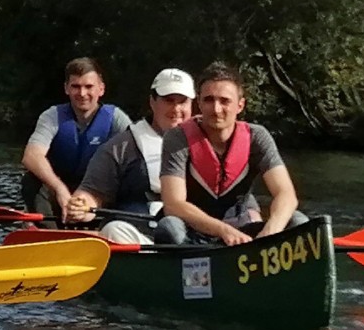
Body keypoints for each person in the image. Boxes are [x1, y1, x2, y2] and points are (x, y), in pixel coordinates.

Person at [155, 62, 306, 246]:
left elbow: (286, 194)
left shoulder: (257, 137)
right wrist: (223, 230)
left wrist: (270, 232)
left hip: (243, 230)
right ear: (199, 103)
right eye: (209, 100)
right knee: (169, 227)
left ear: (240, 105)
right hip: (194, 233)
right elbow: (173, 204)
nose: (216, 109)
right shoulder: (177, 138)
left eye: (224, 101)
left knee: (299, 221)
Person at [65, 68, 194, 244]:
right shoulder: (121, 147)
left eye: (183, 102)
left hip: (193, 238)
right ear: (152, 102)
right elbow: (91, 194)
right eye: (169, 101)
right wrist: (80, 206)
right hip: (139, 238)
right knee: (113, 230)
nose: (176, 109)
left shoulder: (207, 142)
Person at [20, 57, 129, 220]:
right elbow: (31, 156)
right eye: (76, 87)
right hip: (59, 188)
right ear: (66, 89)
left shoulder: (116, 118)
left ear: (101, 89)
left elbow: (136, 159)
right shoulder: (52, 116)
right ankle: (47, 229)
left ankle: (107, 225)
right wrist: (59, 189)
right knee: (31, 180)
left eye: (89, 87)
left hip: (98, 192)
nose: (82, 93)